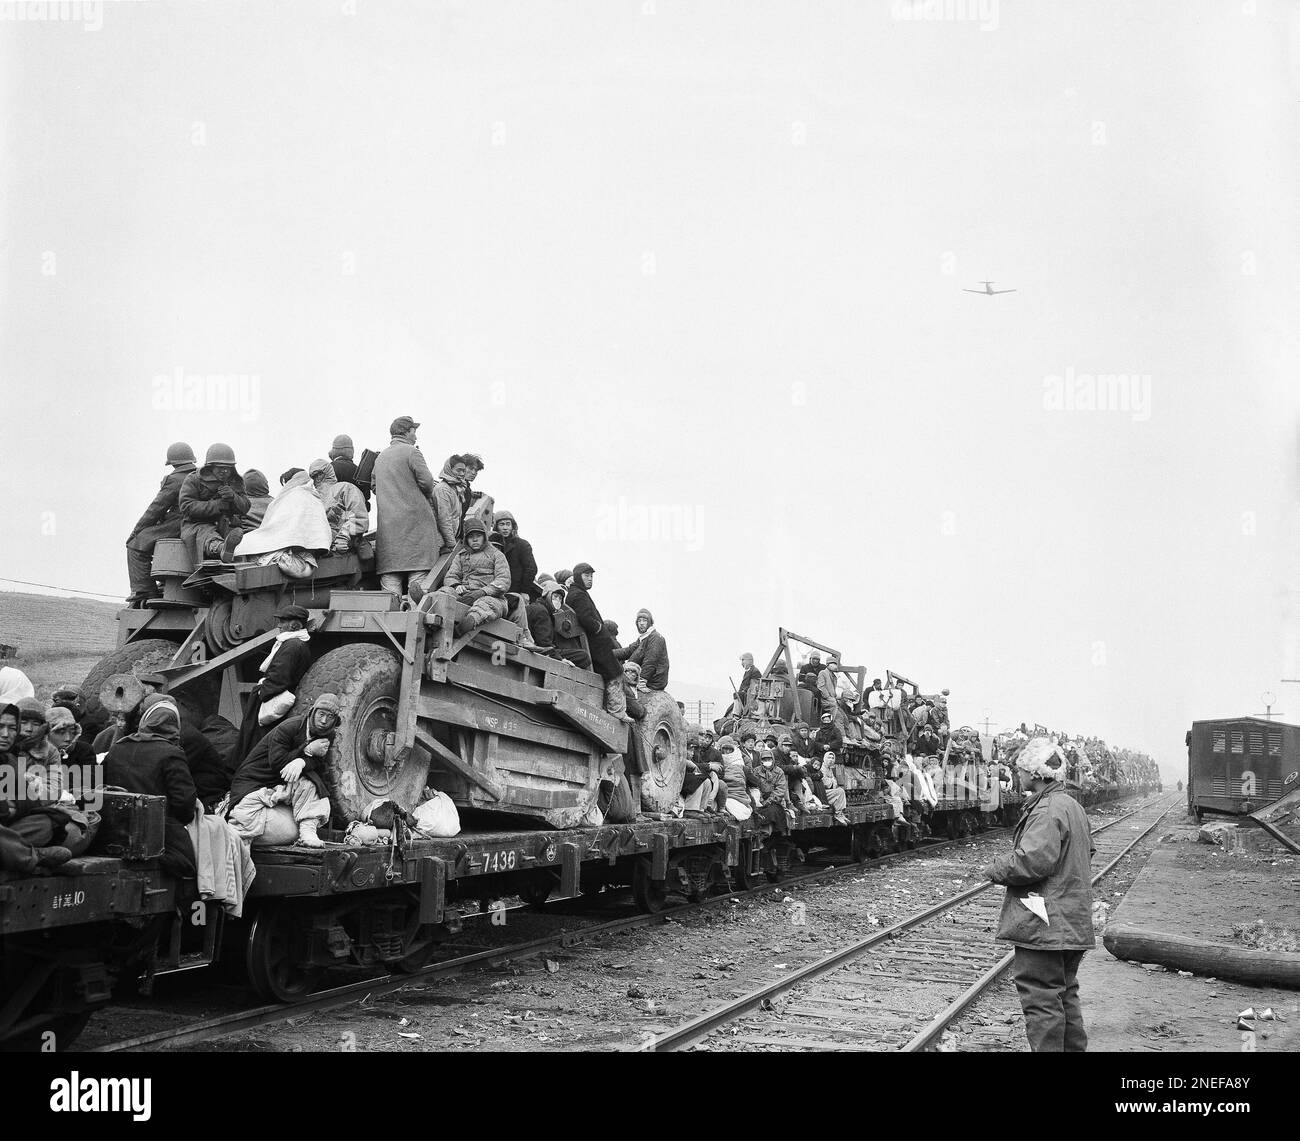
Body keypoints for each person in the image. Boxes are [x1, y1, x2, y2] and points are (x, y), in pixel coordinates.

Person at [983, 741, 1095, 1052]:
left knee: (1042, 998)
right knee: (1064, 994)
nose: (1017, 776)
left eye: (1020, 770)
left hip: (1045, 923)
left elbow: (1033, 861)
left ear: (1035, 773)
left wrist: (996, 868)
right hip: (1072, 920)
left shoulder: (1046, 810)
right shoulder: (1072, 806)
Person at [226, 694, 342, 847]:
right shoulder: (290, 727)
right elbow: (277, 762)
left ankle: (308, 832)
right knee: (244, 821)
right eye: (321, 714)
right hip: (256, 779)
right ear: (313, 712)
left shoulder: (328, 734)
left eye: (330, 717)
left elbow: (318, 761)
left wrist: (302, 761)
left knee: (312, 784)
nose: (323, 721)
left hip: (282, 781)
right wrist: (306, 751)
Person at [103, 695, 197, 877]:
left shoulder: (117, 748)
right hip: (156, 832)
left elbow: (98, 786)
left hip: (113, 829)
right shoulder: (172, 753)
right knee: (189, 867)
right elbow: (185, 805)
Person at [373, 416, 438, 602]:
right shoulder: (412, 452)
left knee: (390, 583)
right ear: (406, 432)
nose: (416, 437)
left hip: (389, 531)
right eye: (414, 432)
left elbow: (375, 486)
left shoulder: (380, 458)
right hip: (416, 526)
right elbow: (427, 483)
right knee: (418, 579)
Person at [237, 604, 314, 760]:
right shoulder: (297, 643)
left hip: (272, 700)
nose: (279, 625)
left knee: (255, 743)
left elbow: (279, 678)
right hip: (278, 699)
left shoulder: (292, 646)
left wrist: (261, 692)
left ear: (295, 625)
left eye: (283, 621)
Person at [126, 442, 197, 603]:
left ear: (172, 462)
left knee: (135, 545)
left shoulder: (175, 479)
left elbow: (155, 509)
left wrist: (137, 531)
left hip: (178, 524)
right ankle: (162, 583)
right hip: (198, 526)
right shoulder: (200, 475)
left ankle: (144, 590)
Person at [565, 563, 628, 721]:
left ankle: (614, 709)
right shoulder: (578, 595)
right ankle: (617, 711)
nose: (590, 579)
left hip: (593, 644)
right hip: (595, 645)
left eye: (591, 576)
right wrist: (600, 628)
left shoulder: (576, 592)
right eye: (586, 576)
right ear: (578, 576)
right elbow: (585, 618)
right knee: (616, 674)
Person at [432, 516, 510, 637]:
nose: (474, 540)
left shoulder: (497, 555)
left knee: (487, 605)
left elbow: (503, 580)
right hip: (465, 593)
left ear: (484, 537)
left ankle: (467, 624)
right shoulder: (461, 556)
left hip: (491, 595)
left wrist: (483, 592)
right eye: (470, 537)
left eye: (478, 536)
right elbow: (451, 575)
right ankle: (428, 602)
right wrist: (456, 585)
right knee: (445, 591)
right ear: (466, 539)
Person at [178, 443, 251, 564]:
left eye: (228, 467)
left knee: (242, 539)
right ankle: (221, 549)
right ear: (210, 467)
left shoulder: (236, 481)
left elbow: (245, 507)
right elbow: (187, 507)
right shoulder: (194, 479)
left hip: (227, 526)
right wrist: (218, 505)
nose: (225, 471)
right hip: (197, 524)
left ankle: (230, 550)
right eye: (220, 467)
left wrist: (234, 497)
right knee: (207, 535)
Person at [308, 458, 369, 553]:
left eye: (319, 474)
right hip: (321, 551)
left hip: (344, 550)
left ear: (328, 471)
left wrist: (343, 538)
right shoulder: (313, 498)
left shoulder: (346, 488)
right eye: (313, 476)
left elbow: (358, 515)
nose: (317, 478)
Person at [615, 609, 670, 691]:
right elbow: (628, 651)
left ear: (650, 622)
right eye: (639, 621)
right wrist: (607, 653)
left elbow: (650, 661)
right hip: (640, 677)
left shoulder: (655, 637)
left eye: (644, 621)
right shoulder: (643, 638)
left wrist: (642, 681)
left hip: (652, 681)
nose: (641, 623)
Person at [541, 580, 591, 668]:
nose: (557, 600)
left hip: (551, 651)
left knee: (584, 656)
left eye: (560, 598)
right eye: (555, 596)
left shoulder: (552, 614)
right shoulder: (542, 611)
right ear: (547, 595)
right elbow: (544, 643)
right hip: (548, 652)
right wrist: (560, 659)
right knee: (584, 656)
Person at [432, 455, 466, 561]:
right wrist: (452, 544)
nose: (461, 474)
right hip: (438, 543)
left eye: (464, 471)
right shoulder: (443, 489)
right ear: (449, 469)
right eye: (458, 470)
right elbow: (444, 519)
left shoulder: (456, 489)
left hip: (446, 541)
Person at [329, 434, 371, 507]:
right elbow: (366, 497)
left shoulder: (329, 469)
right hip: (357, 515)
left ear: (334, 451)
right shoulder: (359, 472)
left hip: (333, 515)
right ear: (351, 451)